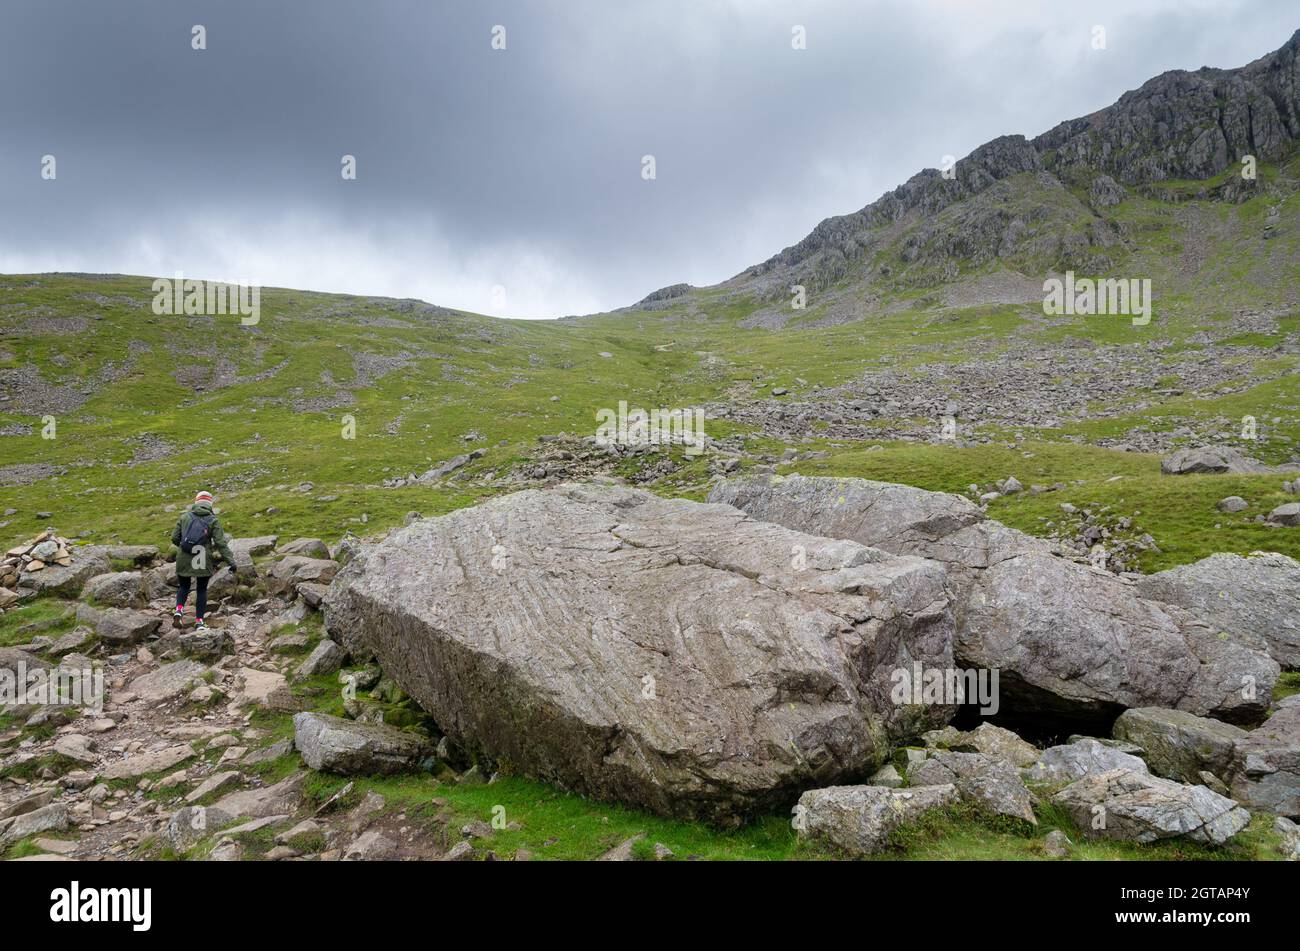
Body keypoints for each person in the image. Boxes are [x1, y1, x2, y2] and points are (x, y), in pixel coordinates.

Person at [170, 490, 237, 629]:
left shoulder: (185, 517)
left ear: (196, 502)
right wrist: (231, 561)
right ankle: (199, 621)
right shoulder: (213, 520)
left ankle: (179, 610)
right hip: (202, 558)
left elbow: (175, 538)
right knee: (201, 590)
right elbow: (220, 543)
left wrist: (184, 548)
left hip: (184, 557)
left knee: (184, 586)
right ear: (210, 504)